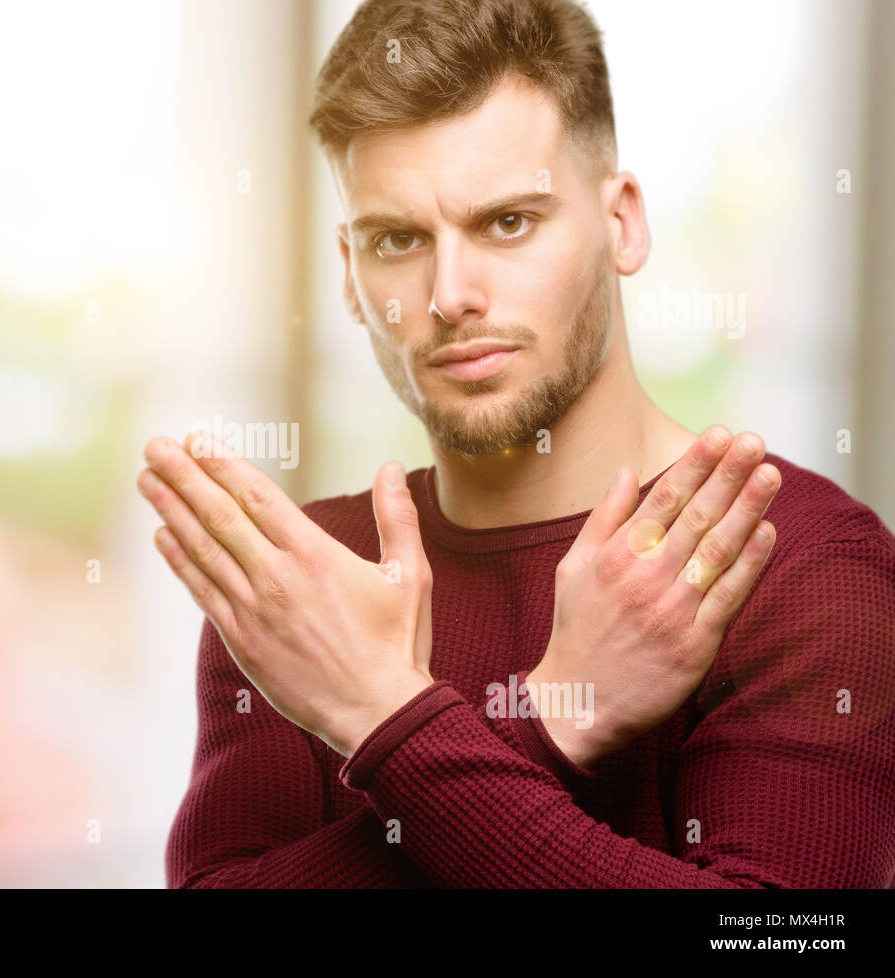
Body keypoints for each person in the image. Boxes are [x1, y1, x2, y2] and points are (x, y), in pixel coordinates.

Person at [137, 0, 895, 887]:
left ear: (623, 224)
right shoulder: (304, 585)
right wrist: (548, 722)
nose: (451, 293)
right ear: (349, 273)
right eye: (398, 239)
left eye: (507, 222)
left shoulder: (803, 560)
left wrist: (388, 720)